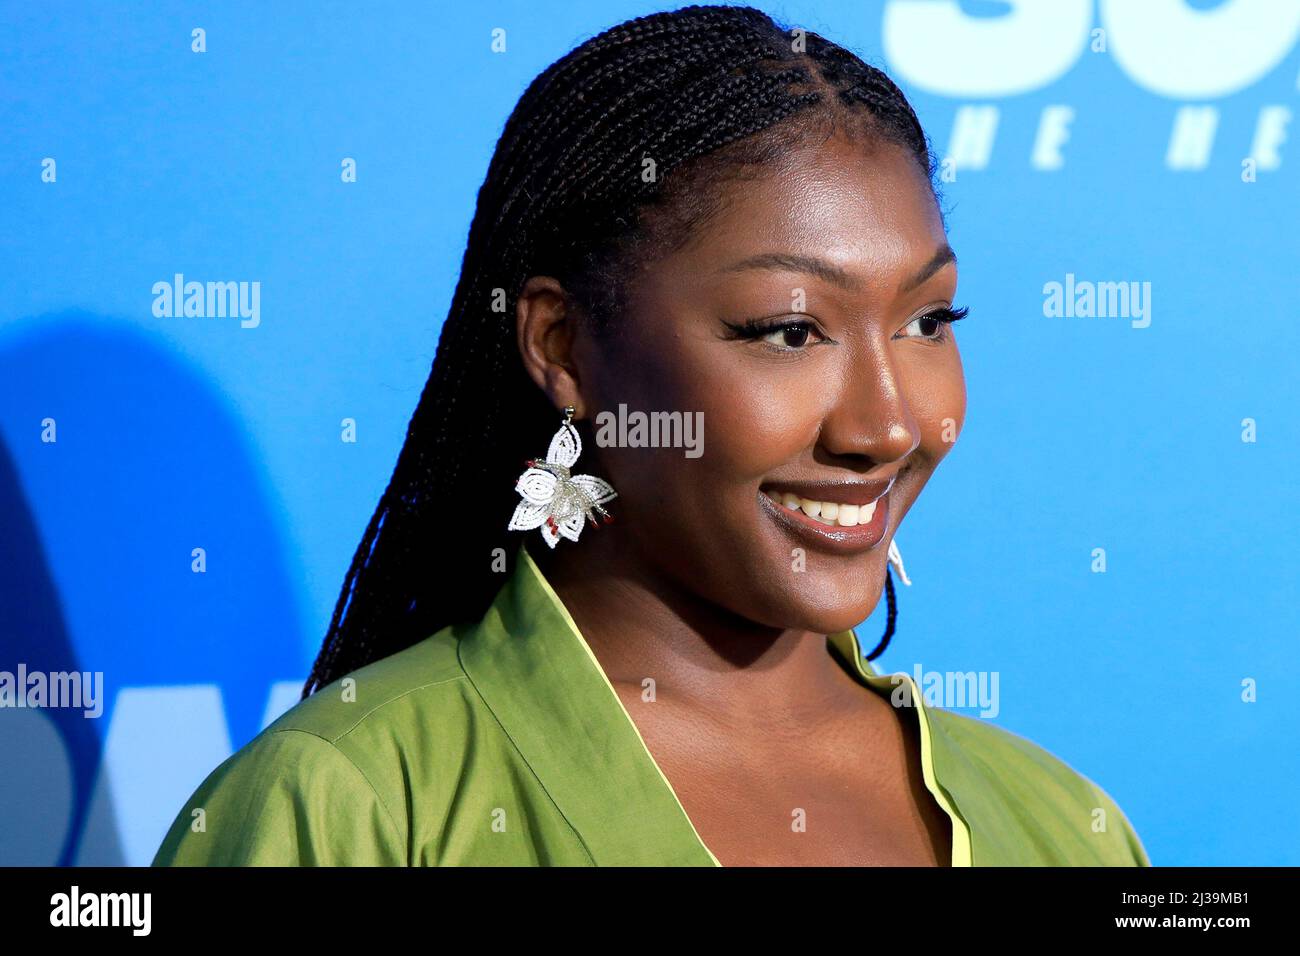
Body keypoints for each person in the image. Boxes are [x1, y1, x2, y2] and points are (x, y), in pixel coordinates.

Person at [153, 4, 1150, 867]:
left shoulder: (1064, 826)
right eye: (788, 330)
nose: (886, 423)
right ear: (563, 346)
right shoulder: (349, 809)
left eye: (929, 320)